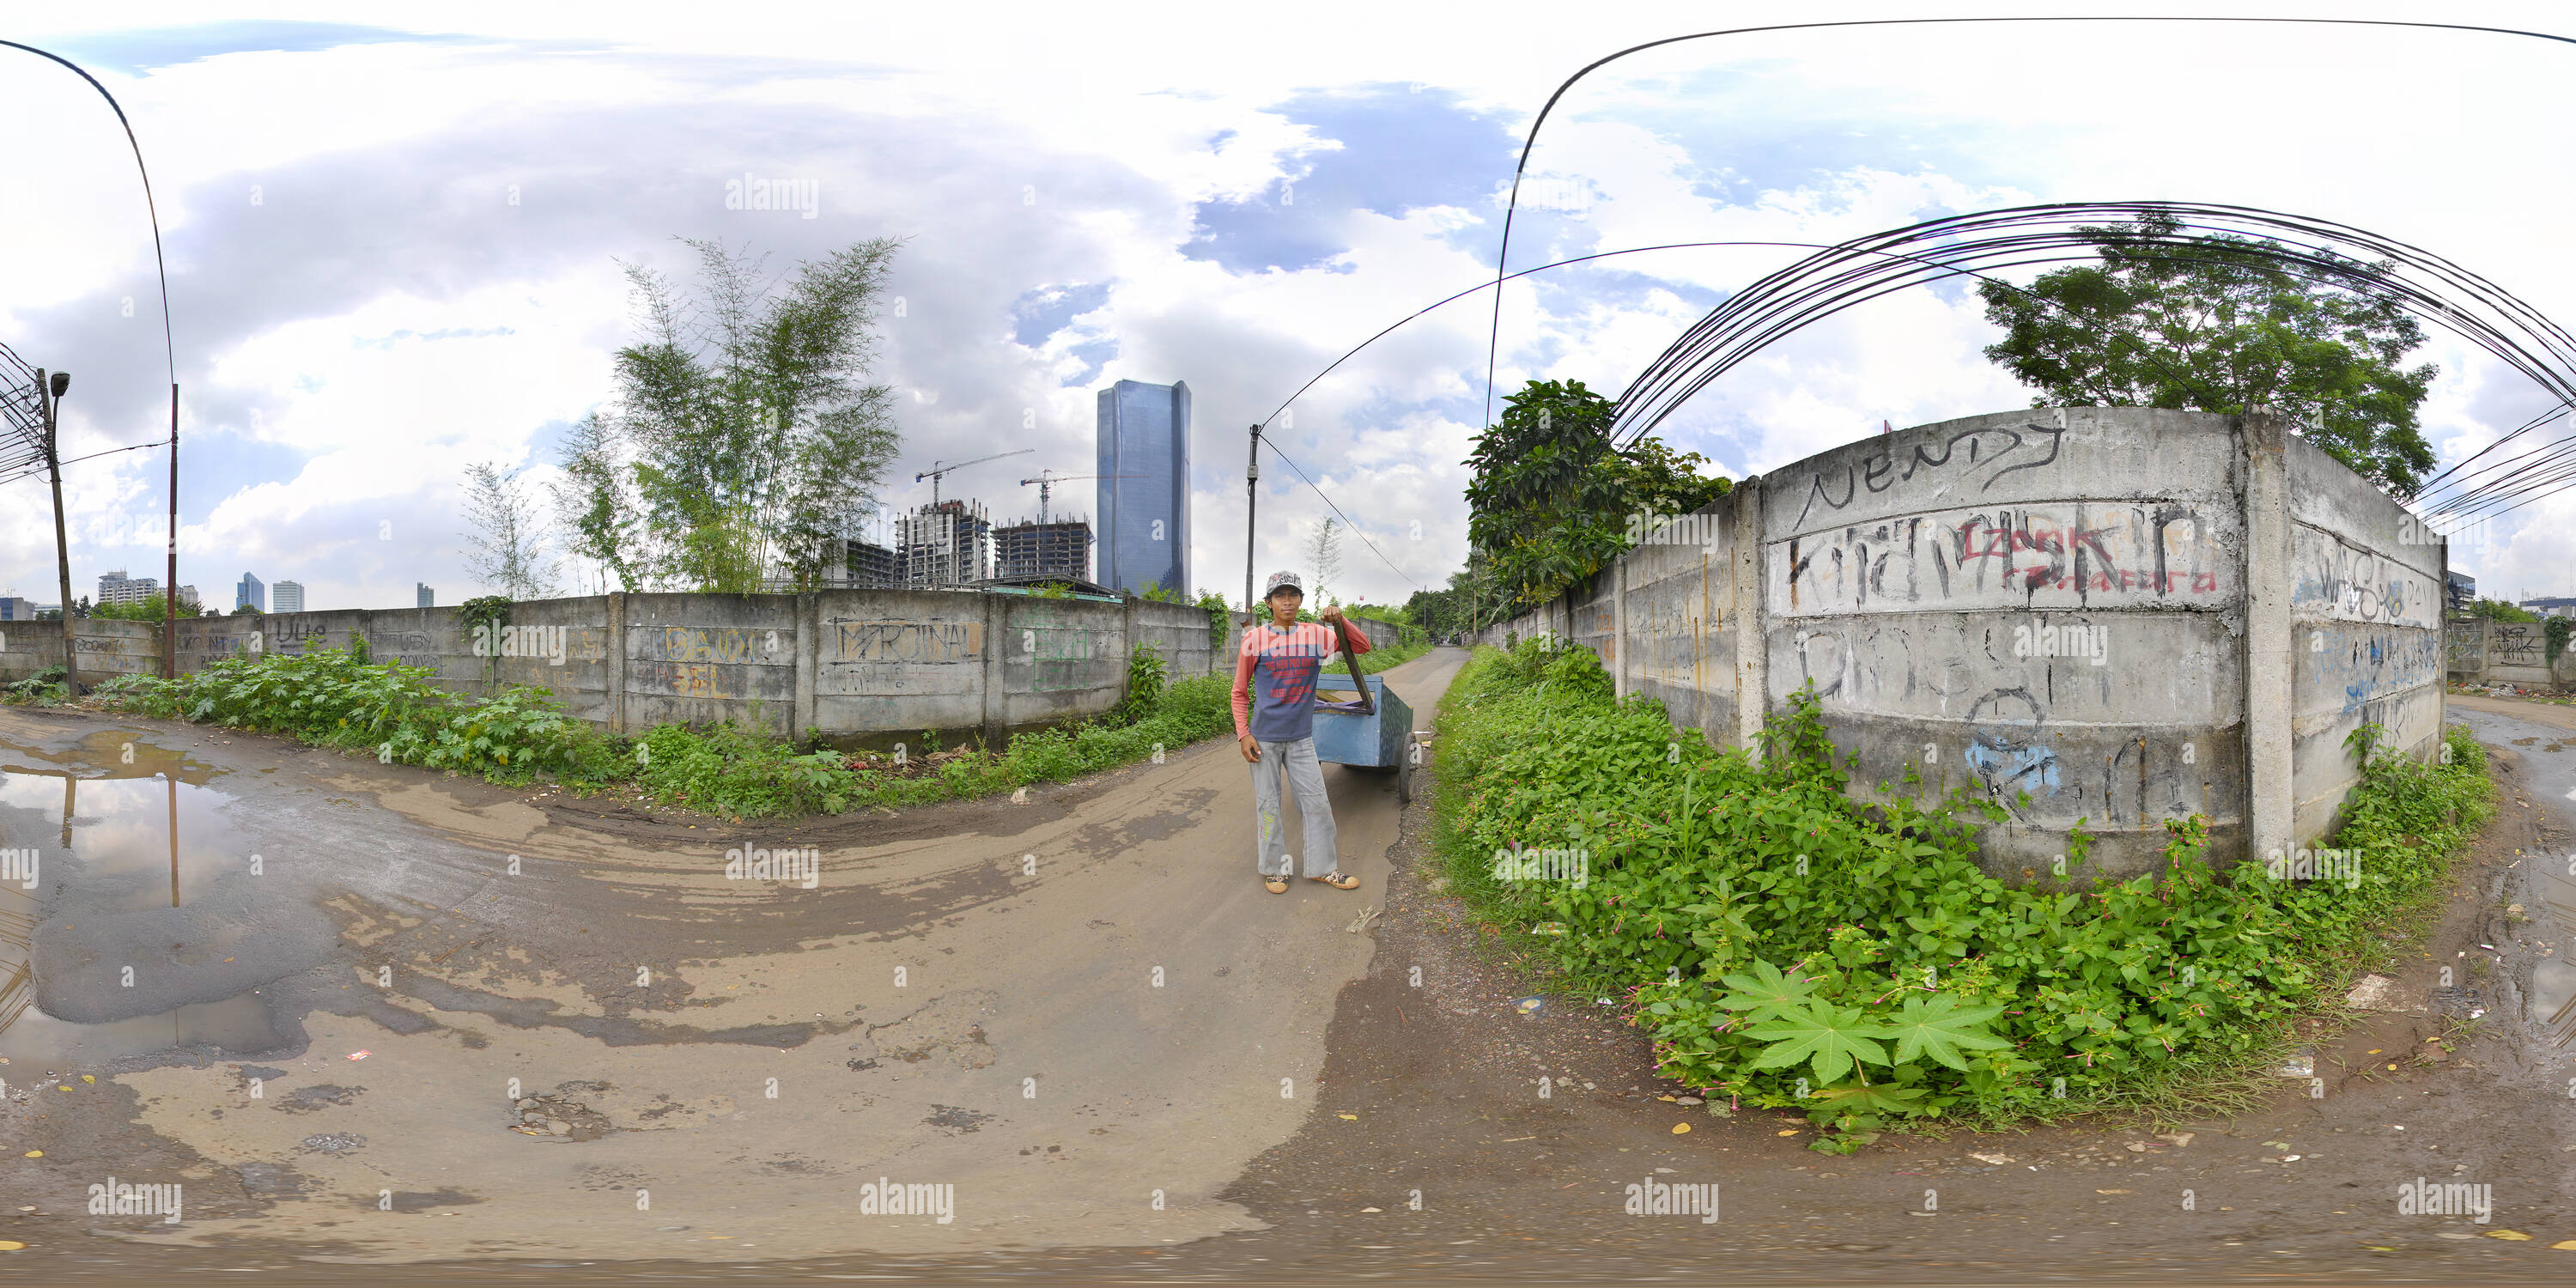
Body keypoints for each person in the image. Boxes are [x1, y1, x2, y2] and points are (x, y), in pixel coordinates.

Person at [1231, 570, 1371, 895]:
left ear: (1301, 600)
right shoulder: (1254, 640)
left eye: (1293, 595)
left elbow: (1361, 646)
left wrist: (1341, 620)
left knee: (1317, 804)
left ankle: (1323, 868)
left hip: (1301, 738)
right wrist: (1243, 734)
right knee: (1268, 806)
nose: (1287, 601)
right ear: (1269, 603)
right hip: (1263, 739)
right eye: (1280, 596)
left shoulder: (1317, 635)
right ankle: (1274, 868)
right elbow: (1239, 691)